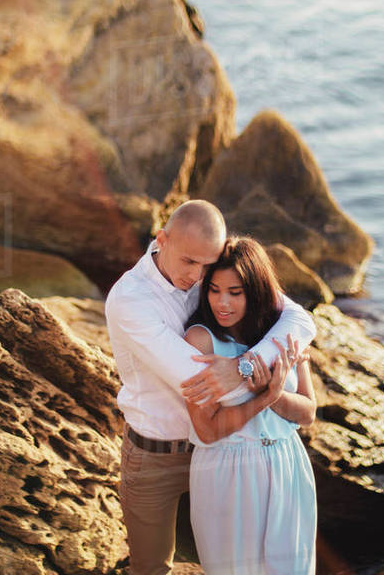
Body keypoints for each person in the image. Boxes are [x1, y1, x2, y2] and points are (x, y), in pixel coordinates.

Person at [104, 201, 317, 575]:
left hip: (222, 454)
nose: (199, 276)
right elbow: (204, 384)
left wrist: (246, 365)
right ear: (162, 240)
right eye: (190, 262)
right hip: (157, 454)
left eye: (208, 264)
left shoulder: (211, 274)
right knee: (150, 568)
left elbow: (300, 320)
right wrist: (272, 373)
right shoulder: (130, 301)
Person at [183, 236, 317, 574]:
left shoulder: (280, 336)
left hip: (287, 463)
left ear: (255, 290)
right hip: (227, 472)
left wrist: (274, 394)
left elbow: (308, 413)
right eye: (214, 290)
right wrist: (262, 399)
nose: (222, 303)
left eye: (235, 292)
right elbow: (207, 430)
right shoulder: (200, 340)